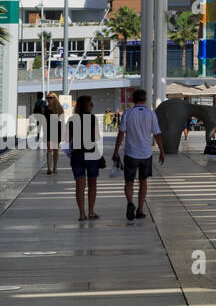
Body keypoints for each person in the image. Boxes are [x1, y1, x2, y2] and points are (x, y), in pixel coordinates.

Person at [111, 88, 164, 221]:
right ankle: (140, 210)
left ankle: (130, 202)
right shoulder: (151, 114)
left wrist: (116, 150)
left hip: (130, 153)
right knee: (143, 182)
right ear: (145, 99)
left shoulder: (128, 113)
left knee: (129, 182)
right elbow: (157, 133)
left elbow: (121, 133)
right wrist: (162, 151)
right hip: (146, 154)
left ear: (133, 100)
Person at [67, 95, 104, 221]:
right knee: (92, 184)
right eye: (91, 103)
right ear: (87, 105)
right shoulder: (92, 118)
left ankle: (82, 214)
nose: (92, 106)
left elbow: (67, 139)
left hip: (77, 155)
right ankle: (91, 212)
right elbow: (96, 137)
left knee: (79, 185)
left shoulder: (72, 119)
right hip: (91, 154)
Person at [44, 93, 65, 175]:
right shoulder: (45, 108)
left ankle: (55, 167)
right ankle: (49, 168)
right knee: (49, 148)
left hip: (57, 129)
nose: (48, 99)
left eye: (50, 98)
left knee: (55, 149)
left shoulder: (59, 108)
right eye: (47, 98)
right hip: (49, 129)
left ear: (54, 99)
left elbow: (62, 120)